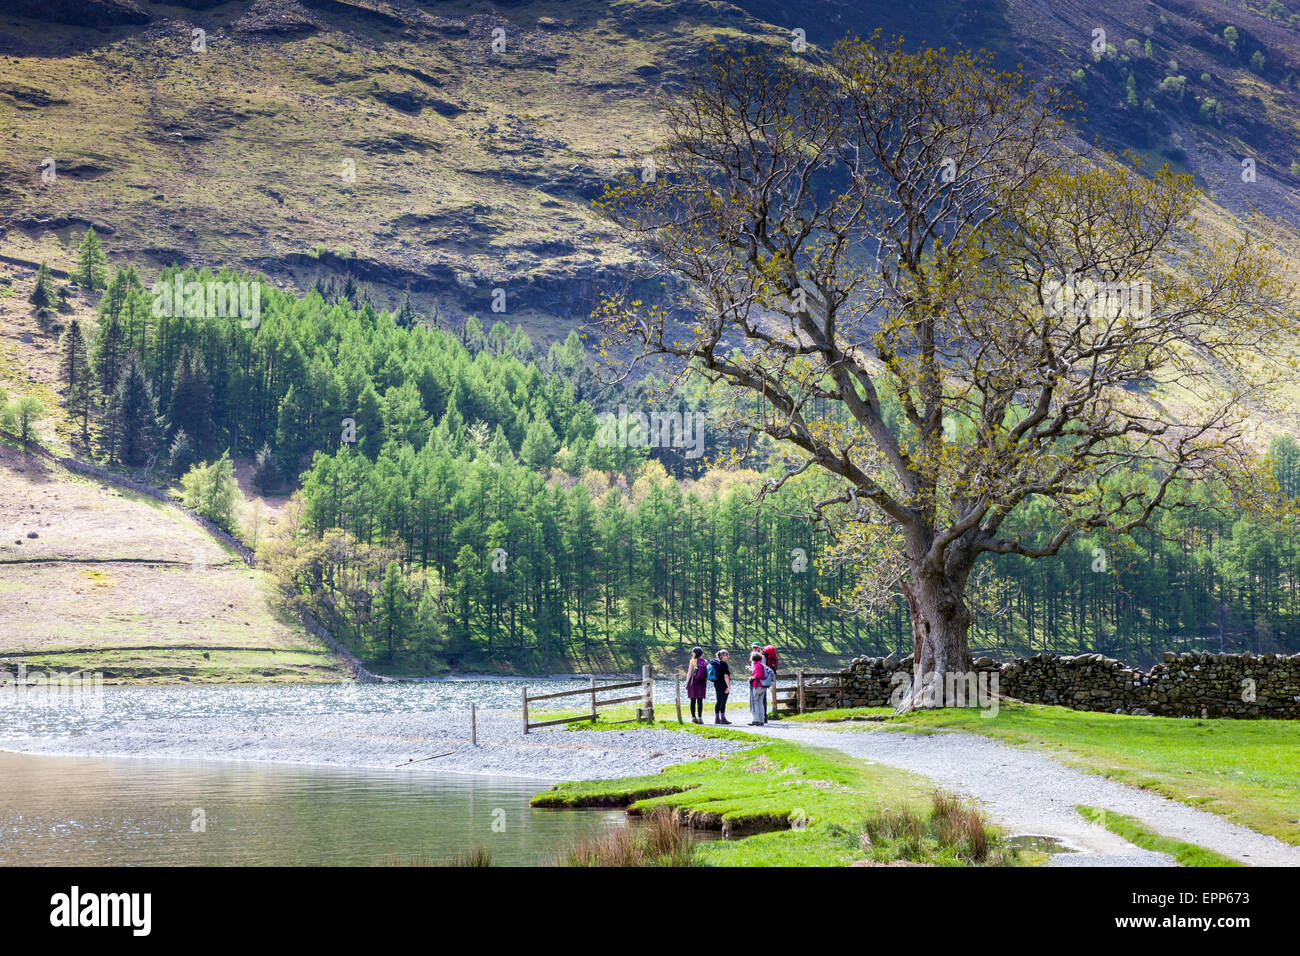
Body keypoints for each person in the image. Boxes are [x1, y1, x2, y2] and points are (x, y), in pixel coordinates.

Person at [684, 646, 709, 723]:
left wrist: (687, 683)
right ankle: (700, 718)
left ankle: (693, 718)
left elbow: (689, 673)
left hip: (693, 682)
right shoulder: (704, 661)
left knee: (693, 700)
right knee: (700, 700)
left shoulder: (692, 661)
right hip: (702, 682)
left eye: (692, 652)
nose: (692, 653)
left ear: (695, 653)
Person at [709, 650, 731, 724]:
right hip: (723, 684)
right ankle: (723, 718)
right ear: (722, 656)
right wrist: (728, 686)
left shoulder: (716, 664)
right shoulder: (724, 664)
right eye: (726, 655)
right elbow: (726, 676)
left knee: (718, 700)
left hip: (716, 684)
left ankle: (717, 718)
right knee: (723, 701)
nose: (727, 657)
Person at [748, 651, 767, 725]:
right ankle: (762, 720)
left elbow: (758, 675)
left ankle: (756, 720)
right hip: (763, 686)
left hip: (757, 685)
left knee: (754, 702)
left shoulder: (756, 664)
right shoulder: (762, 664)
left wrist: (751, 678)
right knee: (760, 703)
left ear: (752, 658)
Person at [762, 642, 780, 719]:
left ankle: (763, 716)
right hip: (771, 675)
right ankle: (765, 716)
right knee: (764, 696)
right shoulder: (773, 654)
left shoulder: (763, 655)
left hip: (764, 676)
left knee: (762, 697)